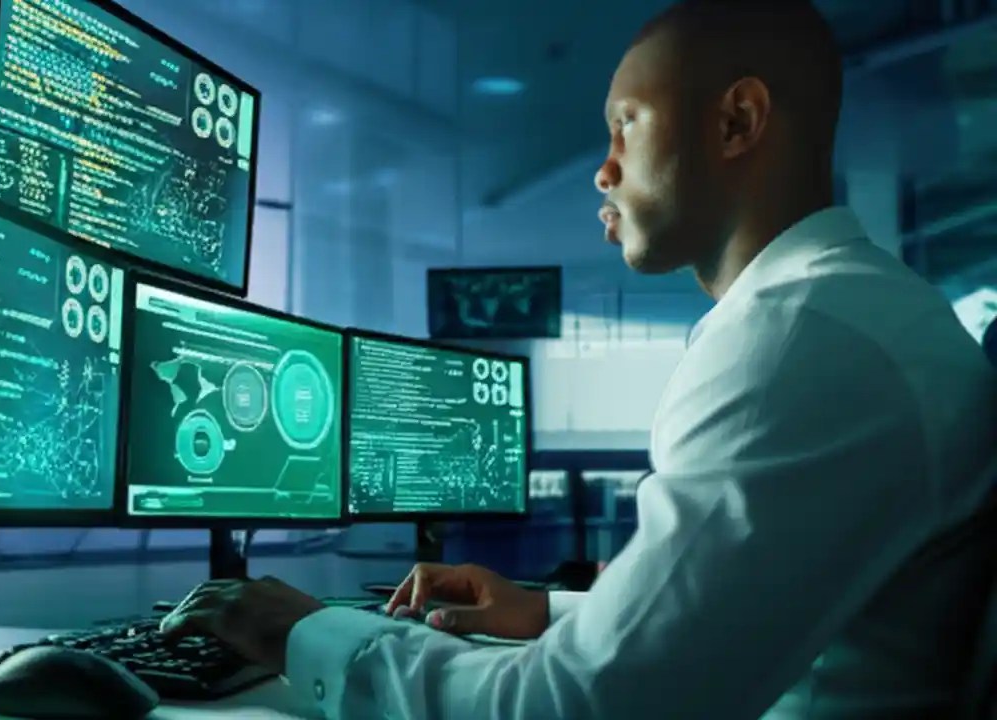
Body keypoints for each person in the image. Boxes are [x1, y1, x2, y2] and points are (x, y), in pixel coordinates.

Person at [161, 0, 997, 717]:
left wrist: (298, 631)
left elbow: (577, 706)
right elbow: (740, 621)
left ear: (737, 121)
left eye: (625, 126)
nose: (602, 170)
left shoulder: (798, 338)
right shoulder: (858, 311)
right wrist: (546, 610)